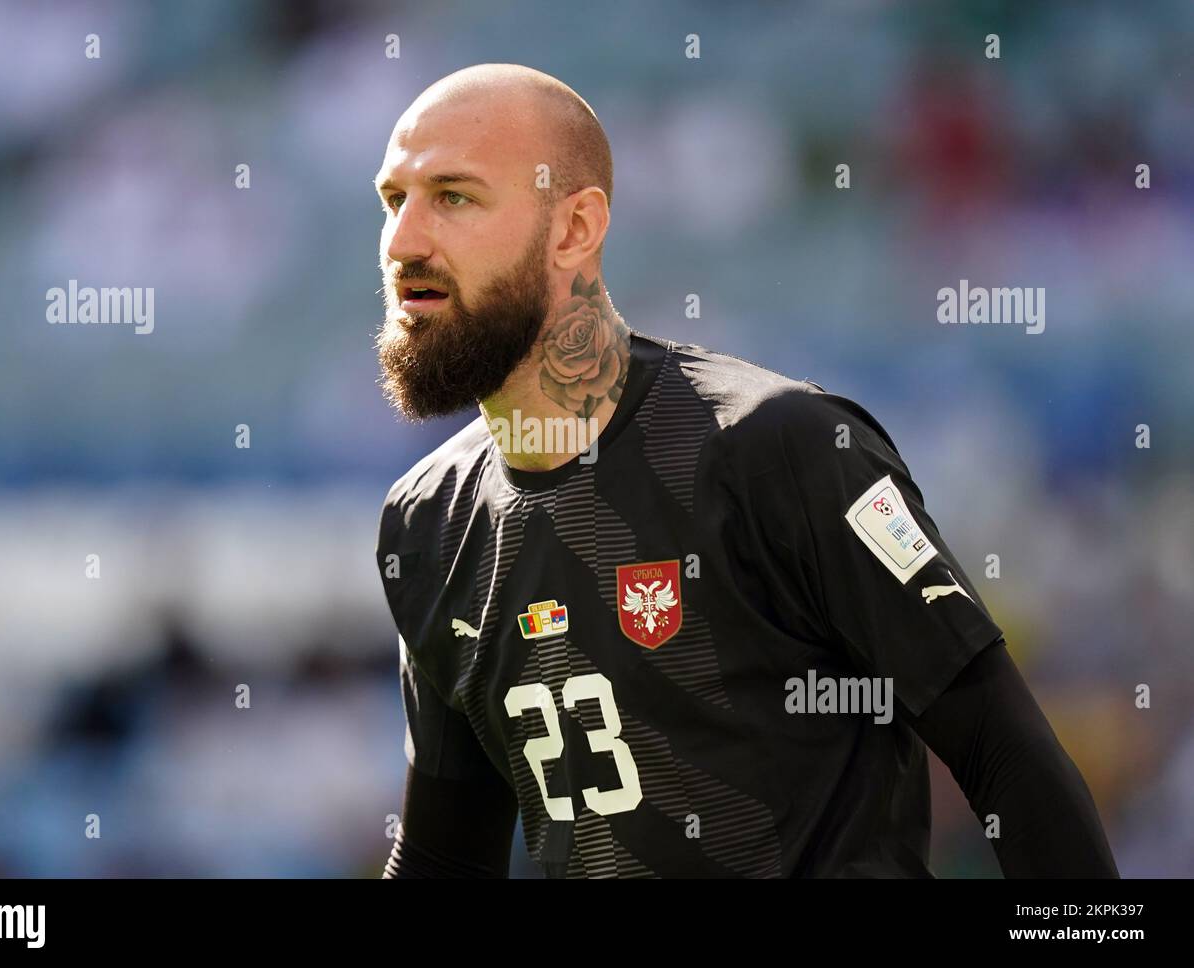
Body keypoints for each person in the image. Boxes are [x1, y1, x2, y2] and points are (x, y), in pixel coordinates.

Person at [372, 63, 1118, 878]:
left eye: (453, 196)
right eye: (393, 200)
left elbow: (1002, 755)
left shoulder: (779, 449)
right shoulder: (427, 521)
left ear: (573, 230)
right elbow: (443, 856)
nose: (404, 241)